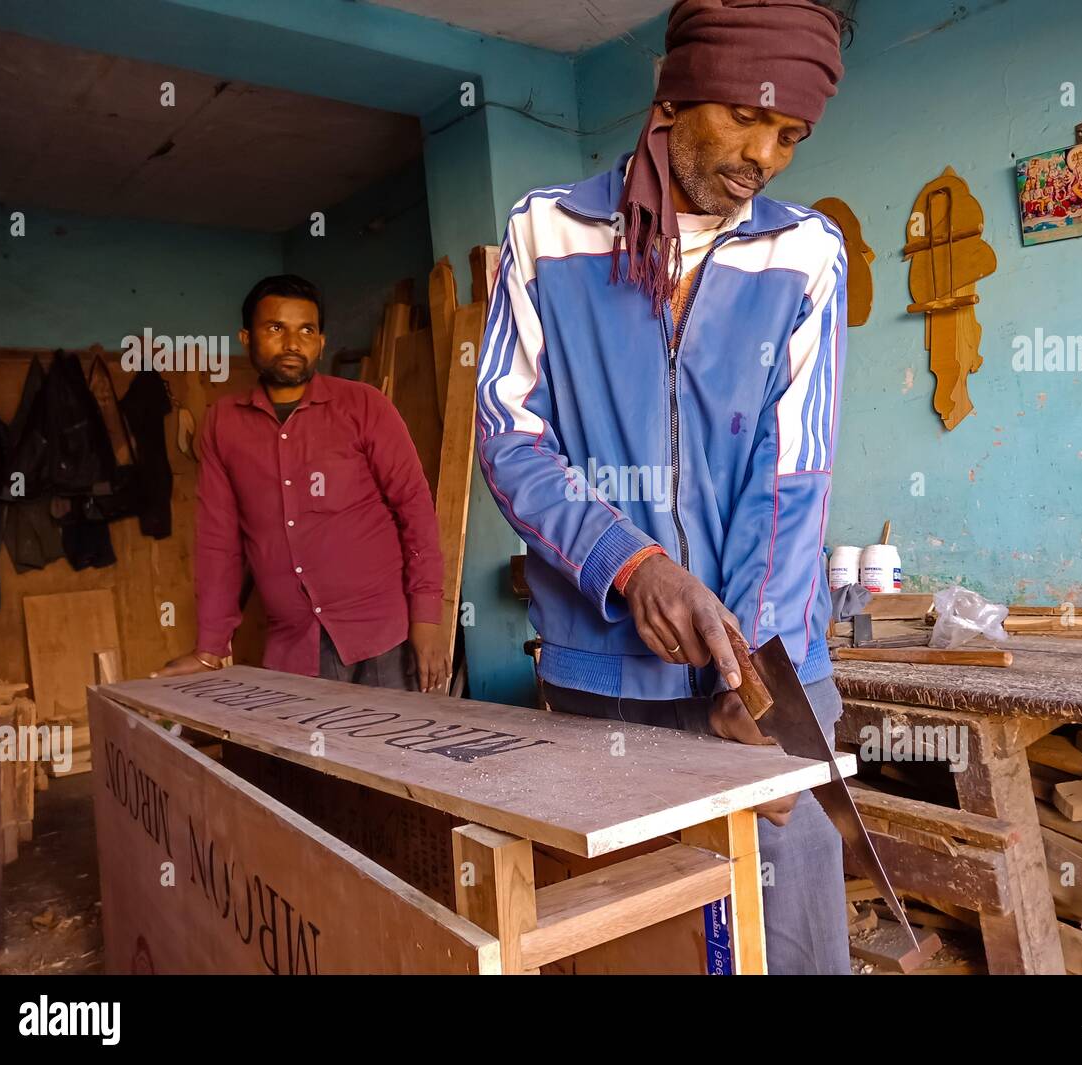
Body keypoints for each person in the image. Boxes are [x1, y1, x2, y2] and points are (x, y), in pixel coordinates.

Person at [476, 0, 852, 973]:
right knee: (636, 935)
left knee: (788, 923)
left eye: (789, 135)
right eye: (743, 117)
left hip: (764, 677)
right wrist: (631, 565)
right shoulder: (545, 236)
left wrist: (751, 676)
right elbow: (511, 440)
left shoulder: (804, 254)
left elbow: (792, 476)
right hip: (605, 681)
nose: (761, 156)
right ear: (673, 90)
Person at [155, 274, 448, 691]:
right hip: (295, 646)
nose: (293, 342)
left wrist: (426, 619)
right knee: (305, 756)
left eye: (306, 330)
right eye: (276, 328)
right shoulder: (224, 423)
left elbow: (415, 510)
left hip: (386, 637)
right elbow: (220, 543)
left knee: (395, 753)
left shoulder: (364, 406)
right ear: (246, 337)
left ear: (321, 342)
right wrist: (210, 649)